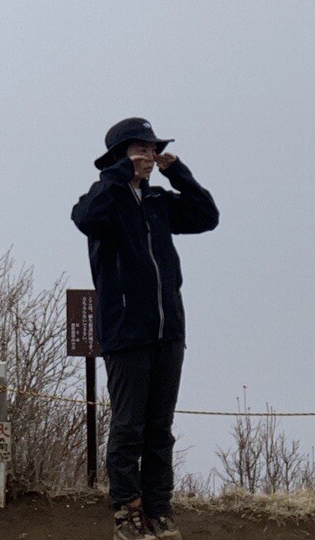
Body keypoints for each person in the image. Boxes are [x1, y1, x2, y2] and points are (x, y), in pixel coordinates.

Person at [72, 118, 220, 540]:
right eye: (139, 149)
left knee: (160, 427)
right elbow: (86, 219)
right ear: (121, 155)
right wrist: (119, 175)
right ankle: (127, 510)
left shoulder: (159, 202)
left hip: (168, 330)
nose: (148, 157)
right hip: (125, 333)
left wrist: (179, 173)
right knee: (128, 426)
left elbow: (207, 216)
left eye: (152, 149)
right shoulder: (102, 199)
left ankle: (160, 508)